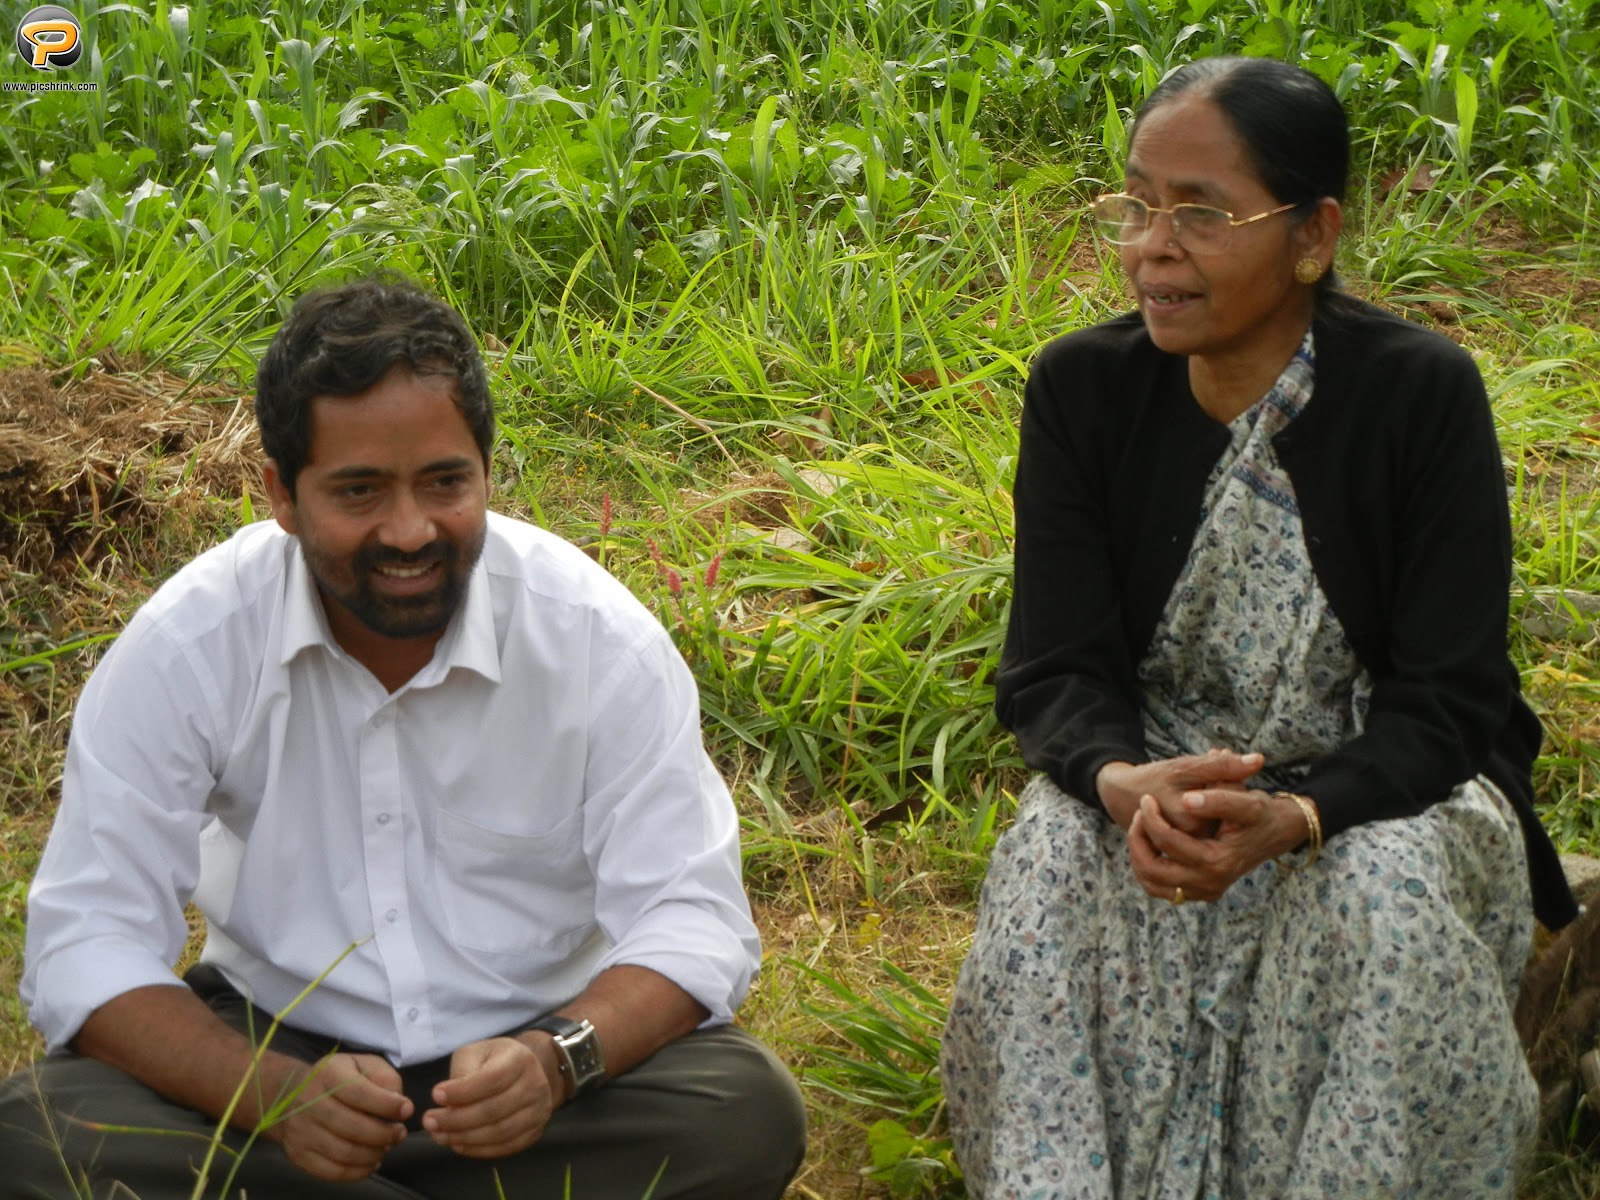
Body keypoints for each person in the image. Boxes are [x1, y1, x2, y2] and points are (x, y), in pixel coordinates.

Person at [0, 276, 806, 1200]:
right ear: (282, 495)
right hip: (274, 1054)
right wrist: (271, 1096)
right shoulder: (193, 640)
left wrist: (558, 1060)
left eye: (444, 482)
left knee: (741, 1110)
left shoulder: (593, 636)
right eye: (359, 490)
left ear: (487, 473)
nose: (410, 529)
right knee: (36, 1135)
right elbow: (86, 942)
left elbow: (692, 920)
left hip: (535, 1078)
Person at [941, 56, 1575, 1200]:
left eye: (1202, 213)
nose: (1151, 246)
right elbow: (1054, 667)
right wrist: (1123, 780)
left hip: (1383, 783)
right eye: (1135, 205)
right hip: (1155, 772)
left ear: (1313, 236)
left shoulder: (1420, 394)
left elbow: (1452, 698)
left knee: (1375, 890)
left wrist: (1298, 813)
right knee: (1050, 854)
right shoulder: (1080, 389)